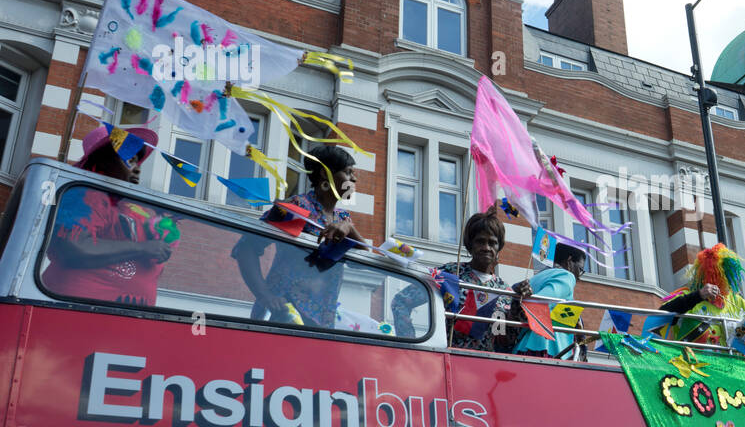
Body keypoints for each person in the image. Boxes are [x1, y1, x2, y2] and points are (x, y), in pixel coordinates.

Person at [41, 123, 176, 307]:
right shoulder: (85, 194)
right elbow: (72, 247)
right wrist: (143, 248)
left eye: (138, 161)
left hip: (122, 319)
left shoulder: (131, 208)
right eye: (129, 160)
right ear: (102, 161)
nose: (137, 168)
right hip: (81, 314)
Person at [233, 146, 365, 327]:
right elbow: (246, 248)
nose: (354, 179)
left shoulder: (342, 217)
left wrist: (349, 228)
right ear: (325, 175)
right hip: (284, 312)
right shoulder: (297, 206)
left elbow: (363, 260)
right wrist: (265, 295)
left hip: (322, 320)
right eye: (348, 172)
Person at [395, 211, 531, 350]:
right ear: (470, 244)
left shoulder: (503, 290)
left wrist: (516, 303)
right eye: (480, 241)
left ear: (498, 248)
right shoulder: (450, 273)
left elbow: (503, 338)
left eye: (492, 243)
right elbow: (400, 302)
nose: (486, 248)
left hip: (484, 365)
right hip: (447, 359)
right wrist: (411, 345)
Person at [660, 244, 745, 346]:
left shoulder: (735, 300)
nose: (718, 283)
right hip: (693, 364)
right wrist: (698, 296)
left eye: (722, 277)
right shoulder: (689, 296)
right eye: (713, 275)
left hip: (731, 364)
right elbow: (661, 315)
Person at [515, 243, 585, 358]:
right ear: (569, 261)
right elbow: (538, 303)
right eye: (580, 269)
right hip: (547, 349)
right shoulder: (567, 276)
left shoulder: (537, 277)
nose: (579, 277)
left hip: (524, 346)